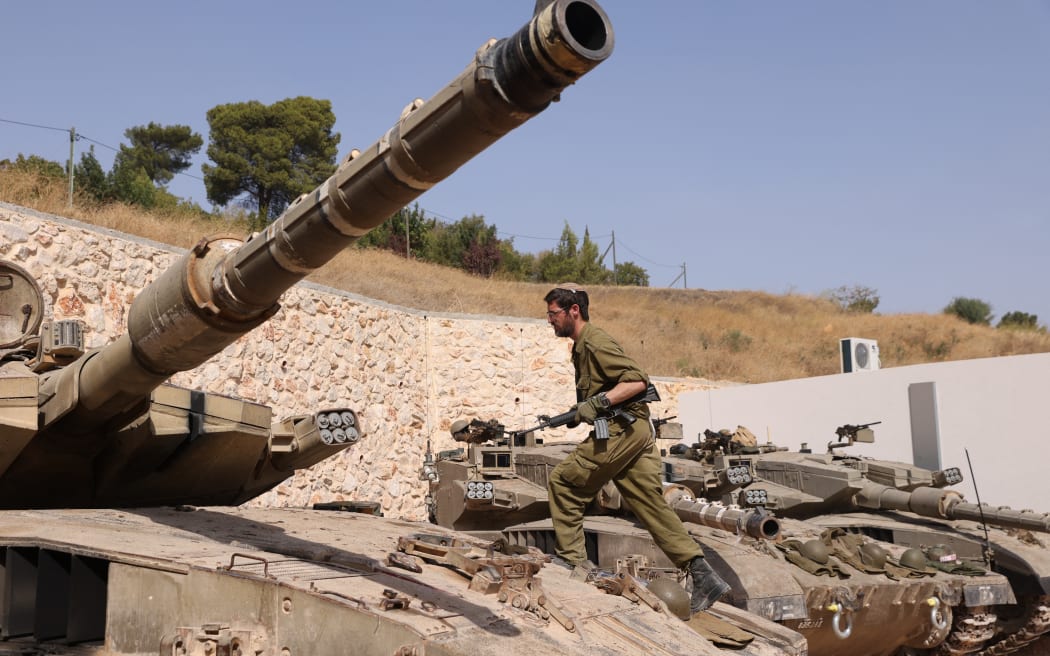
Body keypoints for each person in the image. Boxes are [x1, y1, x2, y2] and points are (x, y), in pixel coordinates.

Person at [543, 283, 731, 614]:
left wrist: (596, 403)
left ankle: (574, 563)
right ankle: (704, 576)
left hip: (621, 431)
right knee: (649, 504)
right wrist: (579, 413)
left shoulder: (596, 343)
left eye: (553, 313)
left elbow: (638, 381)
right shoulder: (581, 347)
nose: (549, 320)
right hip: (636, 430)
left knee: (564, 483)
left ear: (574, 311)